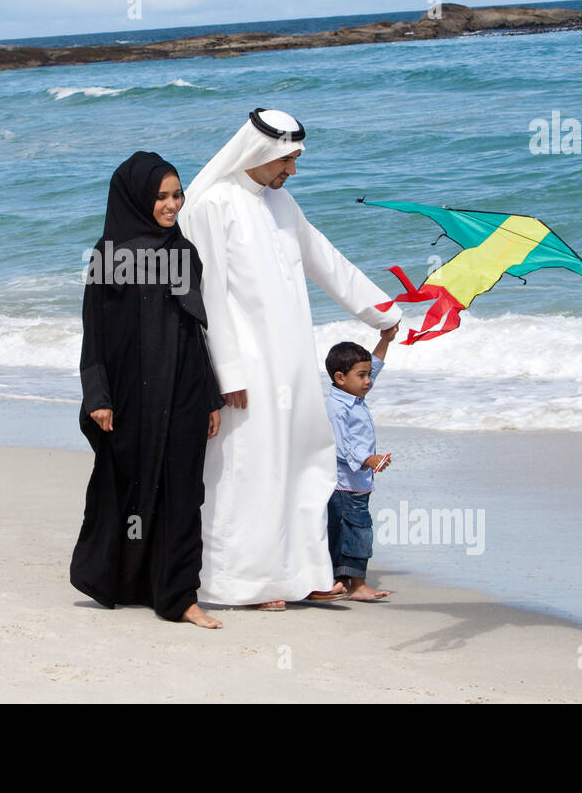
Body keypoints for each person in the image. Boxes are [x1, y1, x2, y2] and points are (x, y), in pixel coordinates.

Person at [178, 109, 402, 609]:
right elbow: (207, 296)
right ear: (259, 153)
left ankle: (304, 574)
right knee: (249, 470)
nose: (292, 171)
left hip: (293, 362)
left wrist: (381, 312)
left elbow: (325, 258)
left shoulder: (281, 203)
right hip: (248, 367)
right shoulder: (212, 204)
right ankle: (244, 583)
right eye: (287, 160)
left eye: (295, 160)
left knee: (304, 461)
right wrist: (226, 371)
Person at [70, 151, 225, 629]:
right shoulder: (109, 255)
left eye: (177, 195)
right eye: (161, 196)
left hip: (182, 388)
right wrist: (98, 396)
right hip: (129, 395)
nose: (171, 205)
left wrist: (211, 396)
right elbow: (94, 331)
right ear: (137, 197)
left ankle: (180, 596)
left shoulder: (184, 253)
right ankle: (125, 581)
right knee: (129, 488)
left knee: (183, 491)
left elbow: (195, 329)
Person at [325, 326, 396, 601]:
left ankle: (343, 580)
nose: (368, 381)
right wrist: (369, 460)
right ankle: (358, 585)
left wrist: (385, 339)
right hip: (346, 484)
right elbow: (341, 446)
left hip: (359, 482)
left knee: (346, 530)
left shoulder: (355, 396)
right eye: (362, 375)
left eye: (368, 375)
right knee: (358, 531)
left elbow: (374, 366)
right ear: (340, 378)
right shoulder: (337, 407)